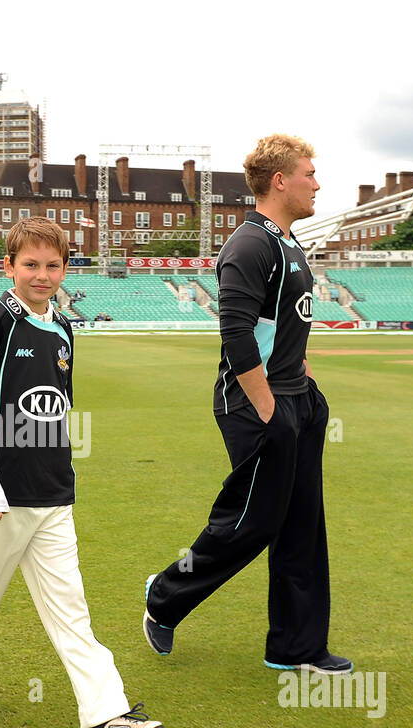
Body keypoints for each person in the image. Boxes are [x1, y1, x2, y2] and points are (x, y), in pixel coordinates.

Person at [0, 216, 164, 728]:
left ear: (65, 268)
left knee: (73, 609)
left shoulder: (63, 329)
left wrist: (65, 466)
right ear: (10, 266)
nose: (42, 275)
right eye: (31, 265)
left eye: (53, 265)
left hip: (53, 492)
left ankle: (105, 716)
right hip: (0, 494)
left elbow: (55, 409)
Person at [142, 134, 352, 675]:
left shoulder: (289, 244)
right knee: (252, 521)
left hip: (297, 399)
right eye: (309, 173)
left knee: (302, 524)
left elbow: (282, 324)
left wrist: (304, 383)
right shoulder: (250, 244)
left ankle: (296, 647)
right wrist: (267, 408)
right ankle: (164, 596)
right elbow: (235, 333)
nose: (317, 183)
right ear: (280, 180)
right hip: (256, 404)